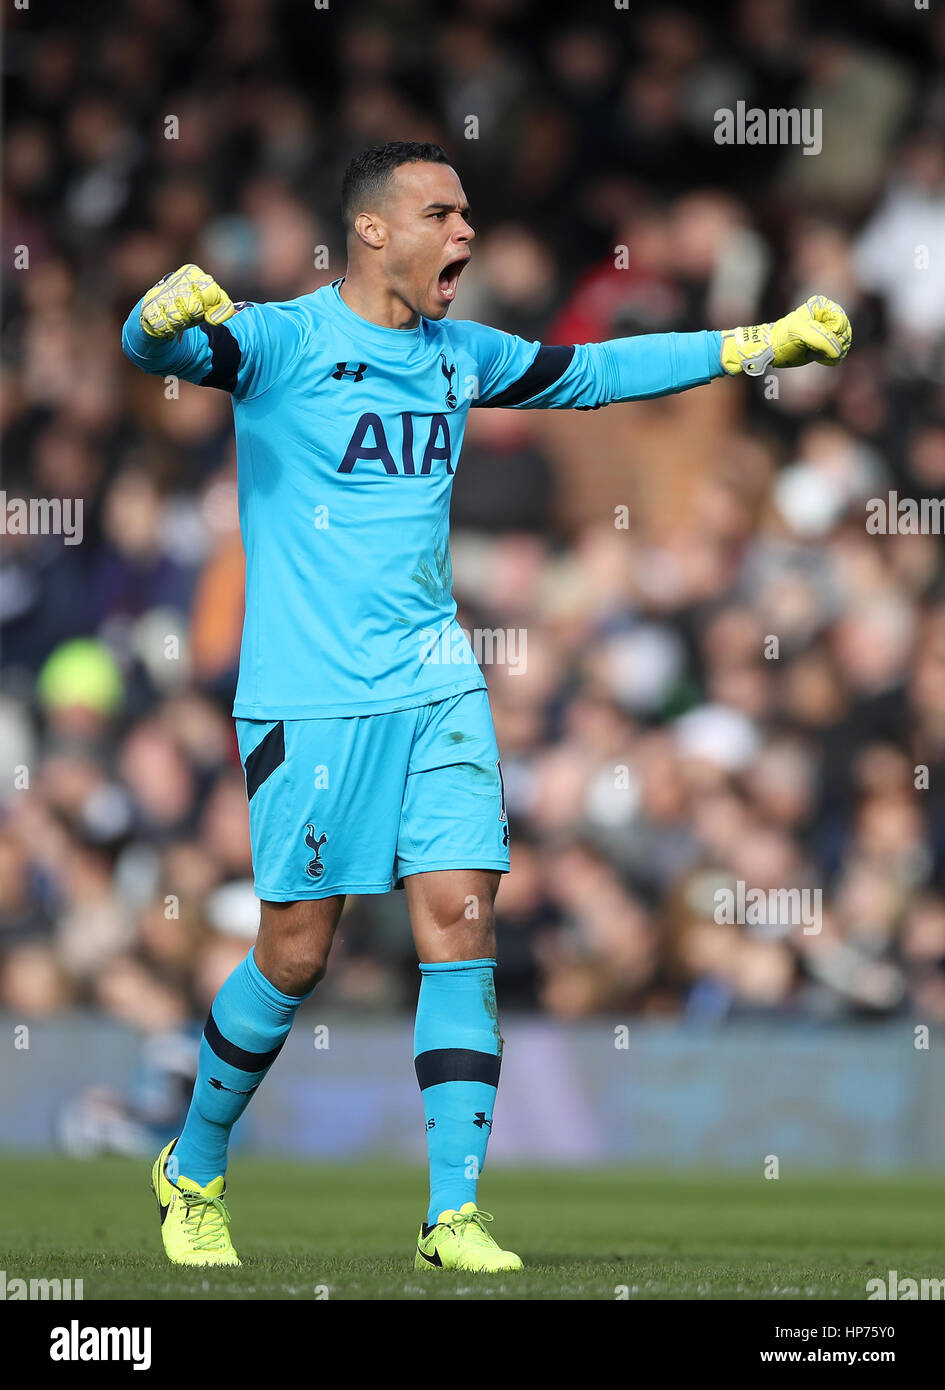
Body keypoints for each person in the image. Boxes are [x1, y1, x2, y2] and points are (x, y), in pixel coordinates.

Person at [121, 140, 851, 1273]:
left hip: (438, 682)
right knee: (297, 953)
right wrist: (154, 311)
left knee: (462, 923)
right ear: (373, 231)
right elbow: (156, 345)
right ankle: (195, 1165)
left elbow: (598, 372)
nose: (466, 233)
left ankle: (451, 1214)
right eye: (441, 213)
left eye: (468, 214)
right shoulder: (284, 341)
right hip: (311, 700)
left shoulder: (460, 354)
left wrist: (751, 346)